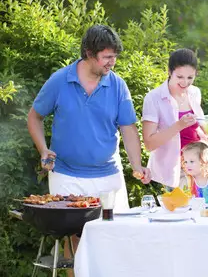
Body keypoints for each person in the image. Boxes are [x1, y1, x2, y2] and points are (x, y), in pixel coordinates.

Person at [27, 24, 150, 276]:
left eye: (114, 57)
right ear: (88, 53)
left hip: (107, 176)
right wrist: (43, 149)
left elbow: (128, 128)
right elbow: (34, 117)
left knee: (113, 239)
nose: (112, 63)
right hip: (66, 175)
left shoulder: (117, 86)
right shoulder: (60, 80)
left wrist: (137, 165)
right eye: (107, 57)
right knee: (75, 244)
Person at [142, 48, 208, 188]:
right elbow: (149, 144)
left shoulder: (195, 93)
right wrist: (178, 125)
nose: (185, 82)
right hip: (176, 171)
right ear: (169, 72)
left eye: (190, 77)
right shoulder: (154, 98)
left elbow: (198, 129)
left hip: (201, 166)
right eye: (180, 77)